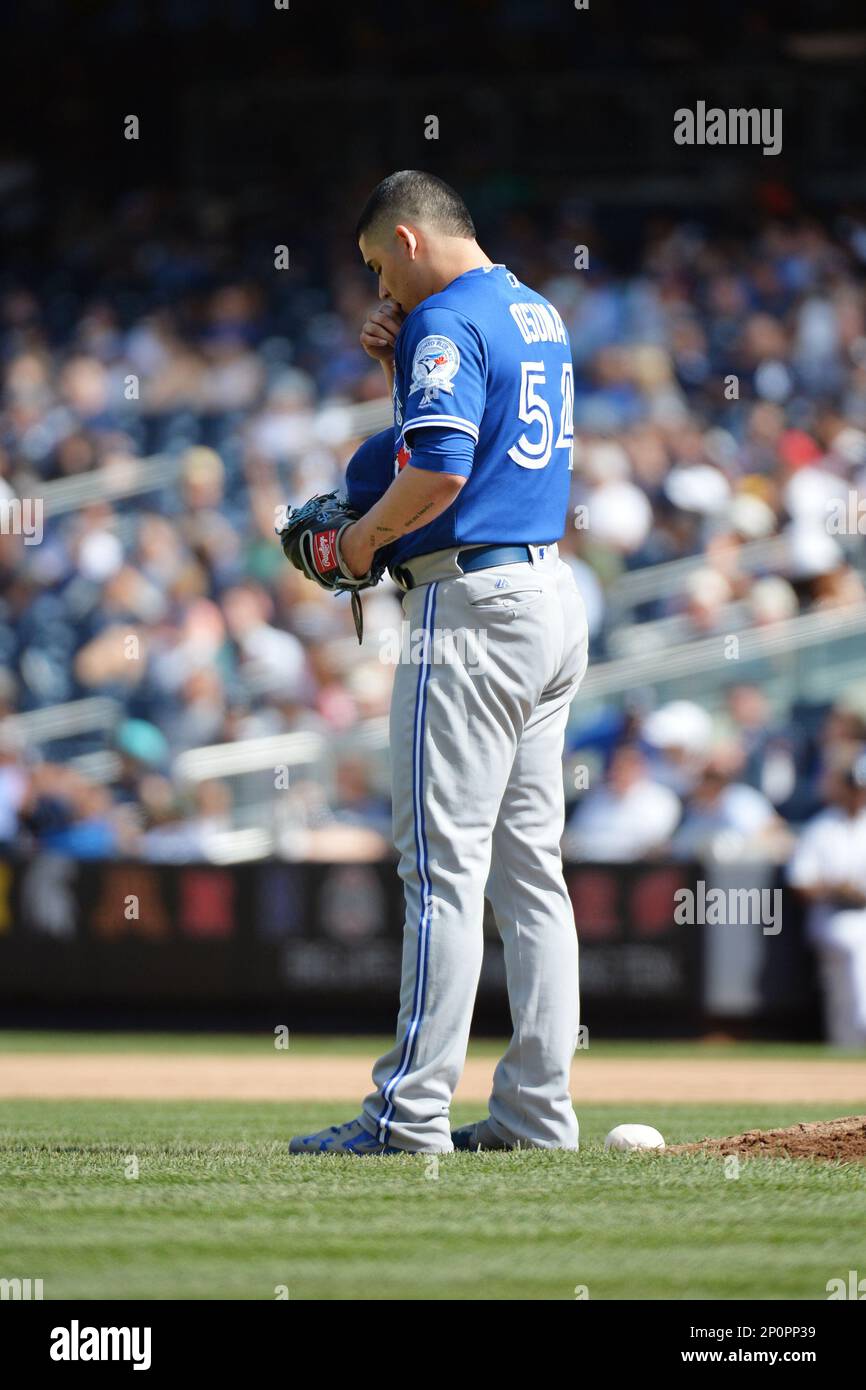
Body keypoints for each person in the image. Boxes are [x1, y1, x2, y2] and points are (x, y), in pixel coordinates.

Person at [289, 170, 588, 1154]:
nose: (381, 292)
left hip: (470, 609)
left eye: (380, 267)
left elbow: (442, 466)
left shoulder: (441, 316)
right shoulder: (531, 308)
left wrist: (361, 544)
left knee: (440, 873)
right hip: (545, 592)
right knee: (528, 877)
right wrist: (395, 375)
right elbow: (482, 446)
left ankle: (406, 1115)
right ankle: (536, 1113)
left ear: (408, 242)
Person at [787, 755, 866, 1048]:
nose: (859, 795)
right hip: (833, 917)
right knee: (843, 998)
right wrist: (837, 889)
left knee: (855, 995)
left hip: (862, 916)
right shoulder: (821, 827)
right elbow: (800, 883)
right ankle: (844, 1057)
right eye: (855, 787)